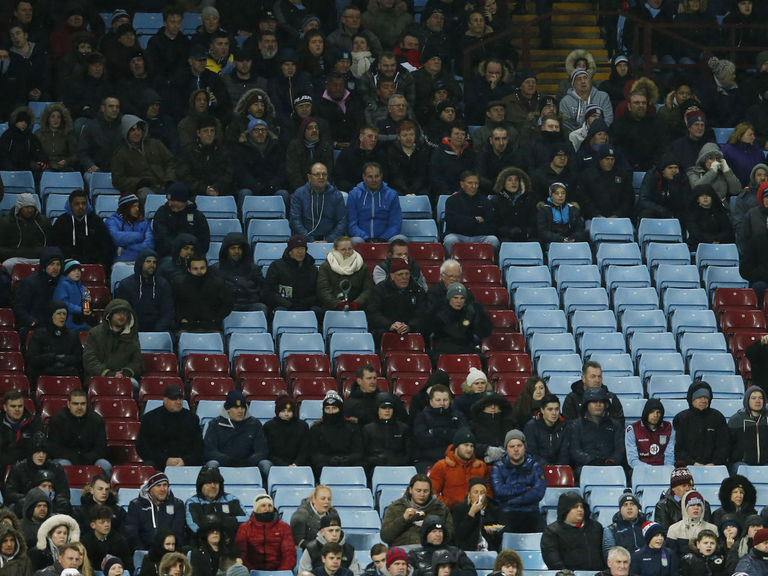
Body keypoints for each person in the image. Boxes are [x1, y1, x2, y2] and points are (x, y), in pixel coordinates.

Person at [111, 114, 176, 202]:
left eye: (139, 130)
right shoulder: (120, 153)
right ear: (126, 132)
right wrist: (138, 182)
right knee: (147, 196)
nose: (136, 133)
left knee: (180, 192)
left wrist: (169, 179)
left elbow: (171, 161)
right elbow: (117, 180)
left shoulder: (155, 144)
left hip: (164, 184)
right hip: (140, 190)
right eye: (132, 130)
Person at [137, 385, 203, 470]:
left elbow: (199, 446)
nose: (178, 402)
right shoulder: (149, 418)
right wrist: (165, 460)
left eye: (180, 399)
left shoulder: (192, 419)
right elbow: (142, 447)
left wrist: (185, 461)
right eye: (174, 399)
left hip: (186, 463)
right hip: (158, 463)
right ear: (165, 400)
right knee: (149, 465)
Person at [46, 389, 110, 476]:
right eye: (75, 404)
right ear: (68, 404)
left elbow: (101, 448)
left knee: (105, 465)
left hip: (90, 459)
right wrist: (75, 457)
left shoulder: (97, 420)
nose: (79, 407)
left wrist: (86, 458)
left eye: (83, 404)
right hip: (66, 458)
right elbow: (54, 448)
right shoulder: (57, 419)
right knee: (63, 464)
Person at [380, 473, 454, 546]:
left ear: (430, 491)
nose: (422, 494)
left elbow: (450, 535)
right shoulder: (397, 507)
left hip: (432, 549)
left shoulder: (440, 508)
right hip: (403, 550)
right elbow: (385, 536)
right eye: (418, 491)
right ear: (410, 490)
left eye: (425, 491)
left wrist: (432, 529)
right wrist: (403, 519)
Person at [5, 433, 70, 514]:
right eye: (38, 451)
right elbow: (9, 493)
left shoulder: (56, 468)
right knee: (17, 505)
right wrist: (31, 498)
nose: (41, 455)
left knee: (64, 504)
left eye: (44, 452)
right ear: (31, 452)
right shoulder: (18, 468)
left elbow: (64, 493)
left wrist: (51, 500)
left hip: (51, 504)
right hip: (26, 504)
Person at [303, 391, 364, 478]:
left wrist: (346, 460)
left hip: (349, 464)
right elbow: (314, 454)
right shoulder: (316, 428)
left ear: (341, 409)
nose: (331, 412)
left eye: (334, 408)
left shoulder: (353, 427)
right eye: (327, 408)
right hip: (324, 465)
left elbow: (358, 452)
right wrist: (329, 460)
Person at [203, 390, 269, 469]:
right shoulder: (215, 424)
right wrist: (229, 461)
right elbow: (209, 451)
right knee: (212, 464)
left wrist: (249, 462)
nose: (240, 411)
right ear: (228, 409)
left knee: (265, 464)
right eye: (236, 407)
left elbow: (262, 450)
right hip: (223, 465)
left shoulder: (254, 424)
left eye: (242, 407)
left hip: (250, 465)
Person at [366, 259, 426, 344]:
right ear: (392, 276)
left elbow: (422, 313)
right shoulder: (380, 289)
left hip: (411, 329)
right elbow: (373, 312)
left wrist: (410, 326)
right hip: (385, 329)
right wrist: (390, 325)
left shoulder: (418, 290)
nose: (404, 277)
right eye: (400, 274)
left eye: (407, 274)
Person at [51, 189, 113, 270]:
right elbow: (53, 247)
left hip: (93, 265)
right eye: (77, 204)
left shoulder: (96, 221)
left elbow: (107, 246)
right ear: (70, 205)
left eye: (83, 203)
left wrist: (100, 264)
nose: (81, 207)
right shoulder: (61, 222)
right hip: (67, 266)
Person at [541, 491, 604, 571]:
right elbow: (553, 561)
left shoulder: (596, 527)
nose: (580, 510)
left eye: (581, 506)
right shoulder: (552, 532)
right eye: (575, 507)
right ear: (565, 510)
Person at [82, 299, 142, 383]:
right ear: (110, 315)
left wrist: (126, 372)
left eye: (125, 313)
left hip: (124, 378)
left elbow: (137, 361)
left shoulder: (132, 335)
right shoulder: (94, 333)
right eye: (119, 313)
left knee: (134, 384)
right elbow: (89, 360)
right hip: (98, 378)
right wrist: (108, 373)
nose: (122, 316)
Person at [427, 283, 492, 361]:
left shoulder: (471, 311)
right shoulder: (439, 311)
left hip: (466, 347)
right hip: (444, 348)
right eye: (455, 298)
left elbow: (486, 331)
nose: (459, 301)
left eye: (462, 298)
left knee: (482, 360)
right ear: (449, 298)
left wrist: (477, 317)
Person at [568, 387, 625, 475]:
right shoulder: (575, 425)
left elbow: (620, 449)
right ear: (586, 404)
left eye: (601, 402)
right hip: (584, 469)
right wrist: (590, 461)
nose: (598, 404)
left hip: (611, 469)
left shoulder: (615, 425)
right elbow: (574, 450)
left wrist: (611, 461)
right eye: (594, 401)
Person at [114, 249, 174, 332]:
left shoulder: (163, 284)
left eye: (154, 262)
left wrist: (157, 331)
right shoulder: (126, 285)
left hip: (159, 331)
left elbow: (167, 312)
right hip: (132, 330)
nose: (152, 265)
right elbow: (122, 311)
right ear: (140, 263)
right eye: (148, 261)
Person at [429, 427, 488, 510]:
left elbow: (488, 490)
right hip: (451, 511)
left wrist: (483, 504)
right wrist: (448, 505)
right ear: (456, 446)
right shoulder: (441, 466)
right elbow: (433, 492)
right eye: (466, 445)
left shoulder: (481, 466)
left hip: (478, 510)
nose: (469, 449)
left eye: (472, 446)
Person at [24, 302, 82, 386]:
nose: (62, 317)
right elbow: (32, 360)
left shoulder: (73, 335)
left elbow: (79, 358)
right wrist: (51, 358)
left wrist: (66, 359)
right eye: (59, 313)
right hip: (43, 375)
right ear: (51, 315)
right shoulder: (39, 334)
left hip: (68, 374)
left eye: (64, 314)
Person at [412, 385, 468, 471]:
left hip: (455, 459)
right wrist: (450, 436)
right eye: (438, 400)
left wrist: (436, 432)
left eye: (445, 400)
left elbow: (464, 437)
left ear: (450, 401)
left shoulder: (458, 415)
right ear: (431, 401)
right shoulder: (422, 417)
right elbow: (422, 440)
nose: (442, 403)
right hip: (427, 460)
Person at [124, 472, 186, 550]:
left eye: (165, 485)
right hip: (143, 551)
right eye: (158, 485)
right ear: (150, 489)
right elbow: (132, 533)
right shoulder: (136, 505)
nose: (162, 489)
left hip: (169, 551)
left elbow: (178, 532)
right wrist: (142, 551)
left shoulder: (177, 505)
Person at [673, 381, 729, 466]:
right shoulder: (681, 418)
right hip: (688, 466)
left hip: (714, 467)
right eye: (699, 397)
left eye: (706, 397)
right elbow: (679, 449)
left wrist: (714, 463)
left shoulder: (718, 418)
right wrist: (693, 463)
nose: (703, 401)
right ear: (691, 399)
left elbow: (724, 447)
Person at [172, 253, 233, 333]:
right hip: (187, 327)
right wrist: (180, 318)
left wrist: (216, 318)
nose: (199, 271)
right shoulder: (180, 284)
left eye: (202, 268)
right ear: (189, 269)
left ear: (207, 268)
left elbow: (228, 303)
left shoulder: (217, 284)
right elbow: (173, 304)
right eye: (195, 269)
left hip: (212, 327)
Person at [442, 171, 499, 255]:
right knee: (450, 240)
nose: (474, 186)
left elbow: (490, 224)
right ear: (462, 184)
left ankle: (488, 262)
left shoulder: (485, 201)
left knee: (493, 240)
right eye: (470, 183)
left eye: (476, 183)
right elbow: (452, 223)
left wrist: (464, 221)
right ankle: (452, 262)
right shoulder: (452, 200)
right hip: (457, 235)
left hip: (479, 236)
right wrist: (475, 220)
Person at [347, 162, 404, 244]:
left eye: (377, 176)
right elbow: (351, 224)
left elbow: (395, 224)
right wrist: (365, 238)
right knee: (355, 241)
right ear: (364, 177)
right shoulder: (354, 195)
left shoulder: (392, 195)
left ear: (381, 176)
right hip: (362, 239)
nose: (374, 180)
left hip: (386, 239)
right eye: (370, 177)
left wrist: (383, 238)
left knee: (401, 239)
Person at [235, 494, 296, 571]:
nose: (267, 509)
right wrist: (252, 572)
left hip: (278, 572)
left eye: (270, 506)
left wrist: (281, 572)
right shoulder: (244, 528)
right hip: (251, 572)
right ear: (256, 509)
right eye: (263, 506)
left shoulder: (284, 527)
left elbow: (289, 555)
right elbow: (241, 554)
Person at [290, 163, 348, 243]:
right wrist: (310, 240)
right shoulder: (299, 194)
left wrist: (328, 240)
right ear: (309, 177)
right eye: (317, 174)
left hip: (330, 241)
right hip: (305, 241)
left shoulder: (336, 195)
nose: (321, 177)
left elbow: (342, 221)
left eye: (324, 174)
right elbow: (295, 221)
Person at [210, 233, 267, 314]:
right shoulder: (215, 269)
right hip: (226, 306)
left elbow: (263, 289)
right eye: (233, 248)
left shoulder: (254, 269)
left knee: (262, 307)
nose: (237, 251)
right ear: (226, 250)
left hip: (249, 304)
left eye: (239, 248)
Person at [152, 182, 210, 258]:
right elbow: (161, 238)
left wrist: (189, 252)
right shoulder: (162, 213)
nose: (170, 204)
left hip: (192, 257)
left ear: (184, 201)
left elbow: (204, 242)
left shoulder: (197, 216)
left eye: (173, 200)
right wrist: (179, 250)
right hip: (168, 256)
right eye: (169, 200)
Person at [317, 237, 374, 312]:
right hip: (331, 309)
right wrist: (338, 305)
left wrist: (356, 304)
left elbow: (368, 289)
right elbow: (323, 290)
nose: (347, 252)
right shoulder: (325, 267)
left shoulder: (362, 267)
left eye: (350, 249)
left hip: (358, 309)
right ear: (335, 250)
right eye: (343, 249)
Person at [184, 466, 244, 536]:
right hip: (203, 540)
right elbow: (193, 525)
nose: (213, 486)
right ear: (201, 486)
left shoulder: (232, 499)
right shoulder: (192, 502)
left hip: (229, 539)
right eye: (209, 482)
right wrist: (212, 536)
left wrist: (223, 521)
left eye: (216, 482)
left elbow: (246, 519)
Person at [407, 516, 477, 576]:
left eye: (440, 531)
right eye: (434, 531)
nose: (438, 535)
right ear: (426, 534)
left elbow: (471, 572)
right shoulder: (415, 554)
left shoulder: (456, 552)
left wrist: (450, 573)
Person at [0, 194, 51, 273]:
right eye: (26, 207)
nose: (30, 210)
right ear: (19, 208)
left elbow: (50, 245)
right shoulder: (6, 222)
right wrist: (18, 252)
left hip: (38, 258)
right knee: (7, 265)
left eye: (32, 207)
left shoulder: (43, 221)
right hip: (15, 258)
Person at [362, 393, 412, 469]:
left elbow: (408, 453)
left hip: (399, 467)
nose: (387, 411)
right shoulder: (368, 429)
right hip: (374, 468)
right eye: (384, 408)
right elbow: (363, 453)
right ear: (377, 410)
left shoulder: (403, 428)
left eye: (390, 408)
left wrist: (397, 462)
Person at [636, 153, 690, 222]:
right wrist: (662, 211)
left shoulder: (682, 178)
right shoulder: (652, 176)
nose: (674, 171)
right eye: (670, 168)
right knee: (647, 213)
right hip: (656, 210)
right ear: (663, 170)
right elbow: (644, 200)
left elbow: (683, 202)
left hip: (673, 211)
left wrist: (673, 185)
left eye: (676, 167)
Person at [263, 394, 309, 475]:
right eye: (283, 411)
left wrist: (296, 463)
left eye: (289, 411)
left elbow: (305, 449)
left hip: (298, 464)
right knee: (265, 464)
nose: (286, 414)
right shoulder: (268, 426)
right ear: (277, 411)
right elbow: (268, 451)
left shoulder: (303, 426)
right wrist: (284, 465)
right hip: (276, 464)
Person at [666, 491, 719, 558]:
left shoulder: (712, 528)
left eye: (699, 505)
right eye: (691, 505)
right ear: (685, 508)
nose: (696, 507)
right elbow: (671, 556)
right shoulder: (674, 529)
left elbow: (716, 554)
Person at [521, 393, 569, 466]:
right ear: (542, 410)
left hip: (559, 468)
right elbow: (532, 453)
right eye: (550, 409)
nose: (554, 413)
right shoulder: (531, 426)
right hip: (537, 467)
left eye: (557, 409)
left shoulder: (564, 426)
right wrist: (548, 467)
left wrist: (557, 468)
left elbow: (564, 453)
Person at [625, 398, 675, 468]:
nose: (655, 415)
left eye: (658, 412)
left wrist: (665, 470)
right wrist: (651, 470)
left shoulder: (668, 427)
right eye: (652, 412)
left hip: (663, 469)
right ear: (646, 413)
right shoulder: (632, 429)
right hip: (641, 469)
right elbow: (632, 459)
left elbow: (670, 455)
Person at [105, 193, 154, 264]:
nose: (137, 209)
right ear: (125, 207)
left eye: (137, 206)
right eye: (133, 206)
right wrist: (140, 235)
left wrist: (125, 247)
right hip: (120, 262)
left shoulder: (143, 222)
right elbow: (115, 238)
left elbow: (149, 245)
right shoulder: (112, 221)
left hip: (141, 262)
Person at [535, 182, 586, 248]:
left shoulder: (573, 209)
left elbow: (580, 229)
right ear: (551, 196)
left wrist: (573, 238)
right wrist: (561, 239)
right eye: (556, 193)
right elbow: (543, 232)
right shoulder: (544, 210)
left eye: (563, 193)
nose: (560, 195)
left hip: (572, 242)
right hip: (551, 243)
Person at [684, 184, 735, 250]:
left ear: (712, 197)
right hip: (699, 246)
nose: (705, 198)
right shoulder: (692, 214)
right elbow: (695, 232)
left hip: (721, 244)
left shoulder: (720, 212)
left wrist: (717, 240)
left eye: (708, 195)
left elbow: (728, 230)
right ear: (697, 199)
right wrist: (711, 241)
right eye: (702, 196)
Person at [730, 385, 768, 466]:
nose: (758, 401)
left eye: (761, 398)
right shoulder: (736, 420)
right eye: (753, 398)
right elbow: (728, 445)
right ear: (747, 400)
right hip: (742, 463)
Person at [290, 485, 337, 551]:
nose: (327, 501)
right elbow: (297, 540)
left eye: (329, 499)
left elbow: (338, 535)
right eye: (323, 499)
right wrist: (318, 548)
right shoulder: (300, 516)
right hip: (306, 551)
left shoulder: (333, 513)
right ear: (314, 499)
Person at [603, 490, 647, 559]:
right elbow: (610, 558)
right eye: (625, 505)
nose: (629, 508)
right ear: (620, 509)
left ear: (638, 508)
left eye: (632, 504)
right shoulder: (611, 530)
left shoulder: (648, 526)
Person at [52, 259, 91, 332]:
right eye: (73, 270)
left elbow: (86, 308)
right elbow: (62, 304)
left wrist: (89, 304)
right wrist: (80, 310)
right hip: (67, 324)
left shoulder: (83, 288)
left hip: (81, 323)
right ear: (67, 273)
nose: (77, 273)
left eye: (79, 270)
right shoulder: (62, 285)